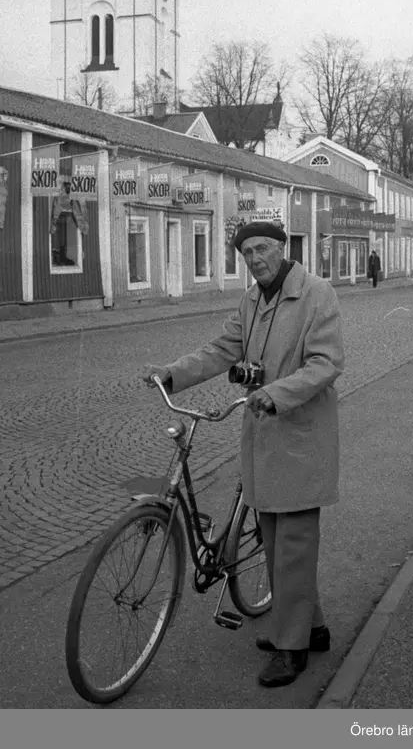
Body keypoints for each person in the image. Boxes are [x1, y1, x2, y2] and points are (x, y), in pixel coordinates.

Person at [142, 222, 344, 688]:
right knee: (278, 543)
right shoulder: (252, 299)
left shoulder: (317, 294)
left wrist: (277, 393)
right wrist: (172, 373)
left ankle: (291, 649)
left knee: (292, 546)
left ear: (281, 249)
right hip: (263, 439)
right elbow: (222, 348)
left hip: (300, 438)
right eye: (246, 252)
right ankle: (312, 629)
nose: (254, 259)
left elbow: (326, 363)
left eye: (261, 249)